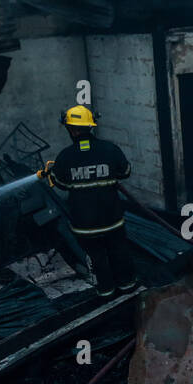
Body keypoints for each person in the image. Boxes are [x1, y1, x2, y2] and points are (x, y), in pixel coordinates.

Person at [39, 106, 137, 297]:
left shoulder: (65, 157)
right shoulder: (110, 149)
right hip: (112, 219)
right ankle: (127, 287)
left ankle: (106, 291)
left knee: (96, 257)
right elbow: (125, 172)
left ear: (73, 130)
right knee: (119, 252)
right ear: (90, 126)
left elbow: (61, 185)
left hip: (85, 225)